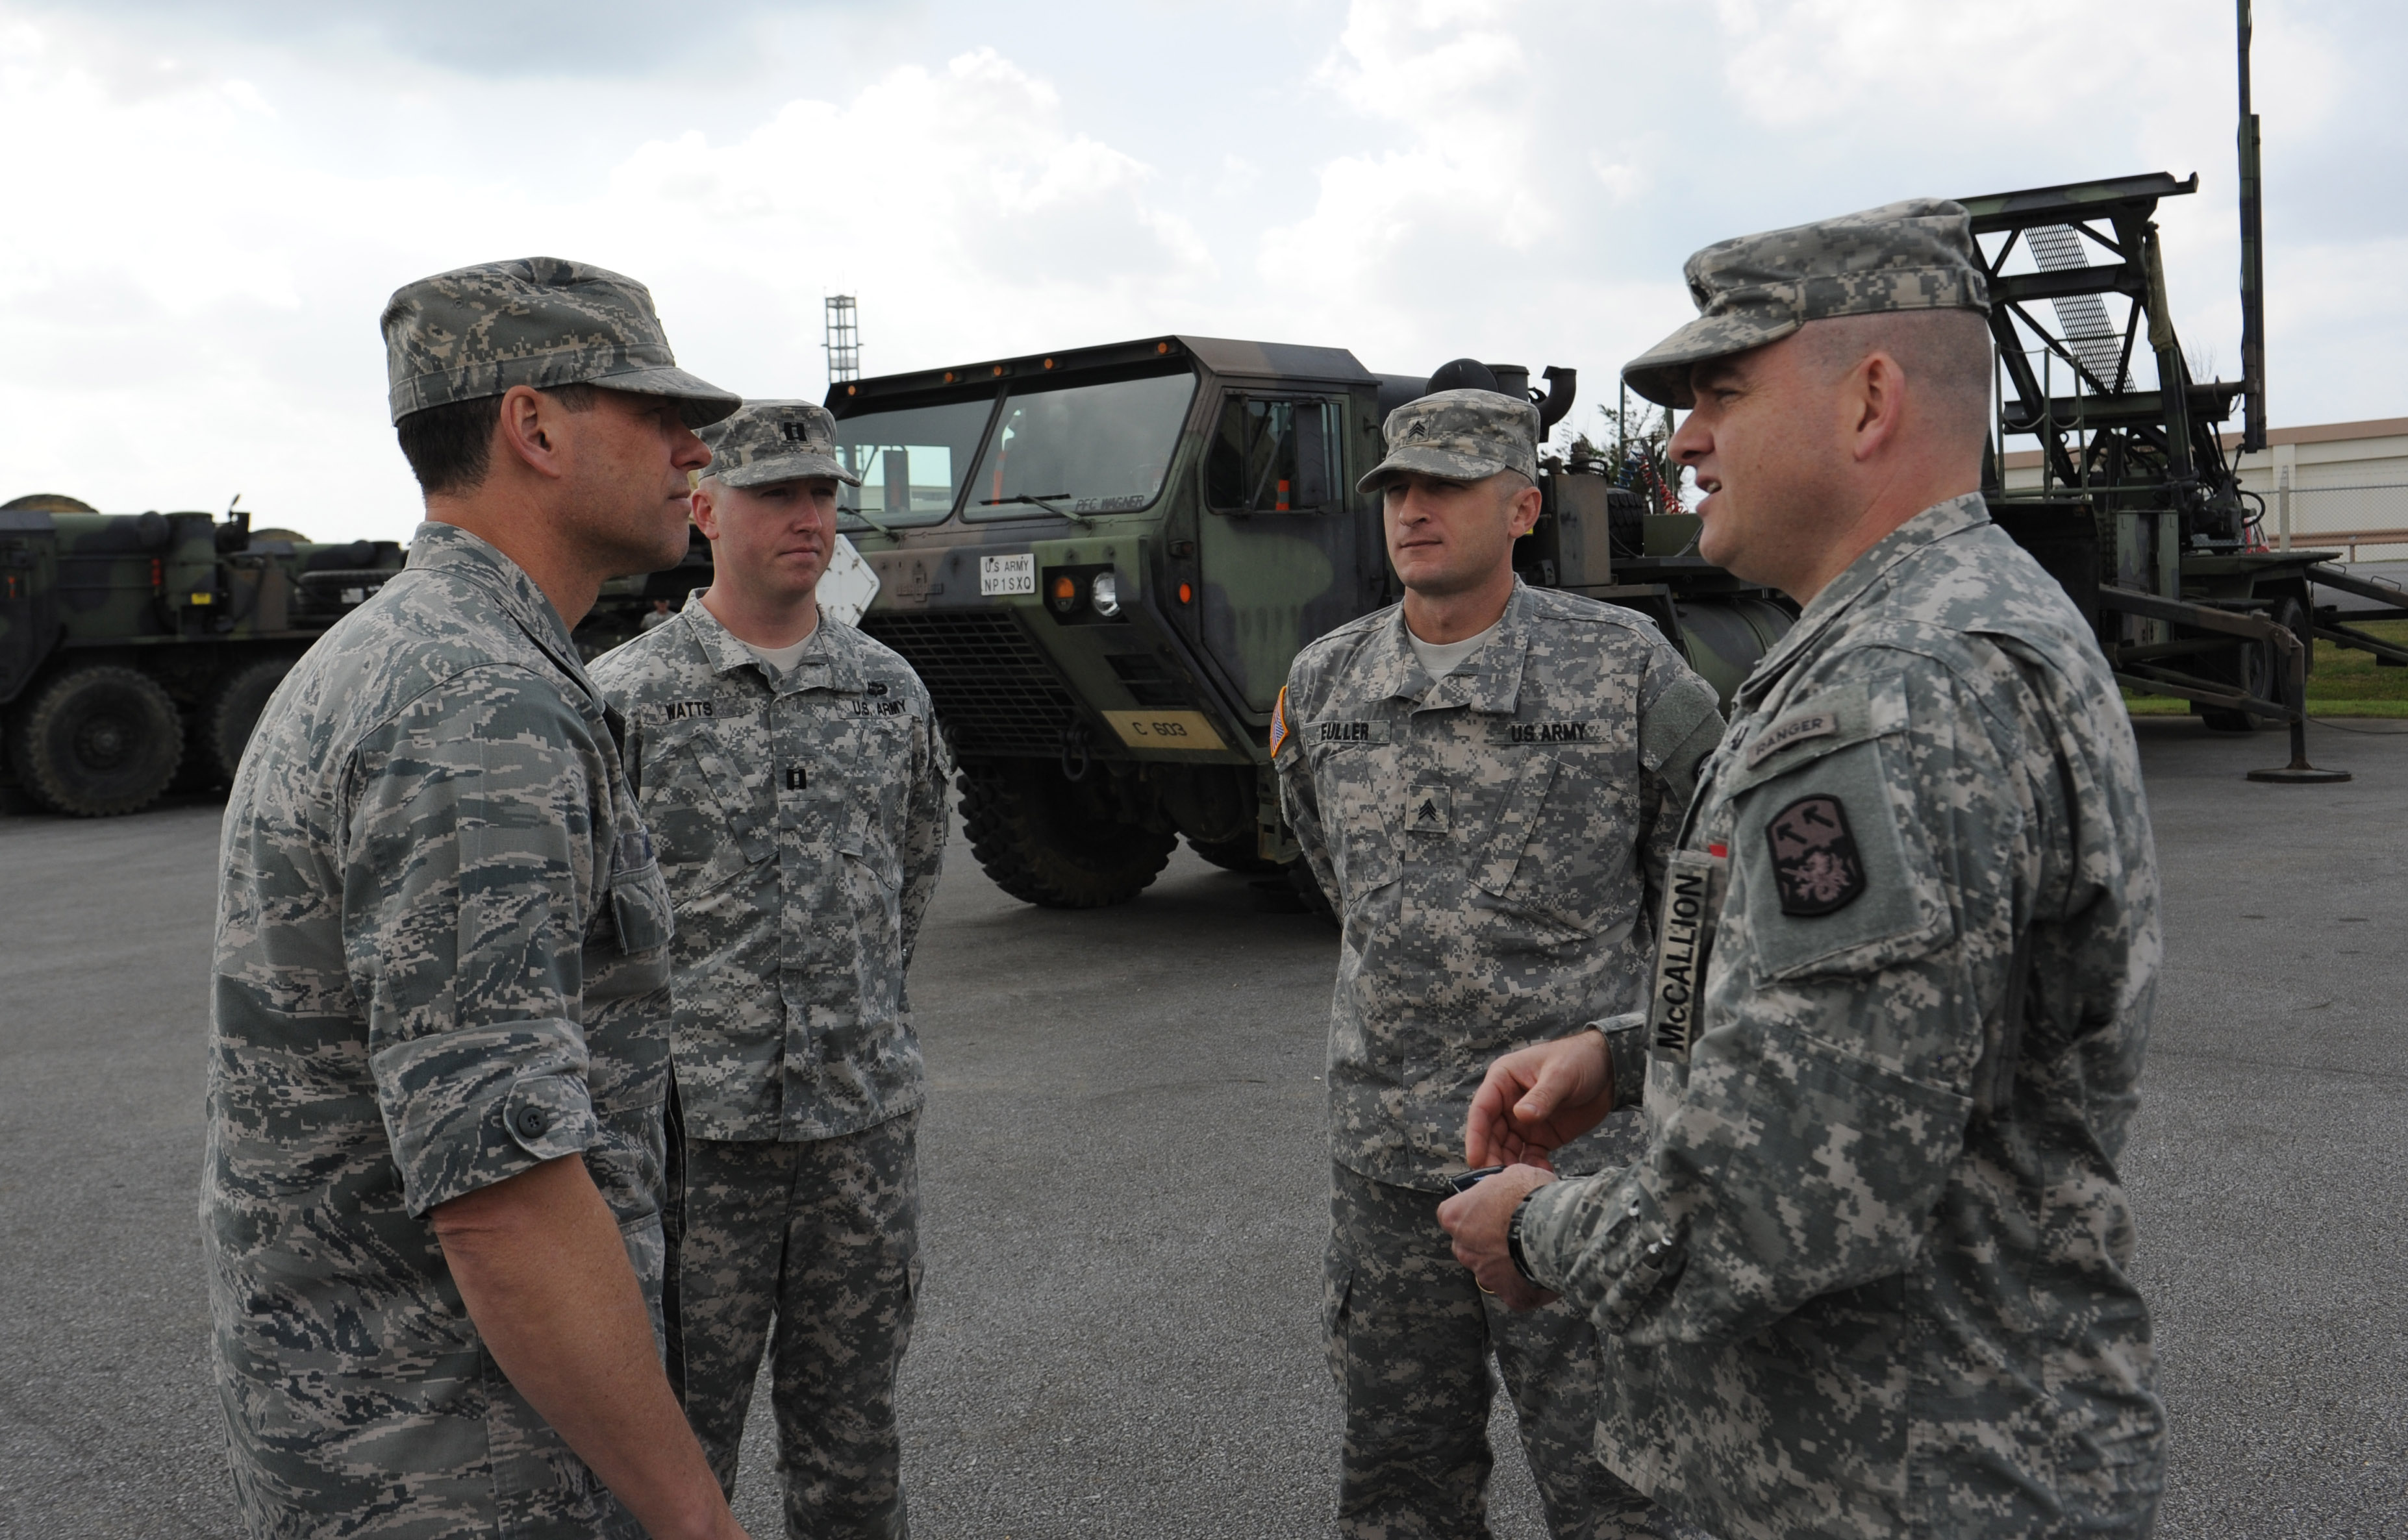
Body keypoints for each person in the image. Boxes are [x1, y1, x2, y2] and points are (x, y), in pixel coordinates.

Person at [1438, 201, 2166, 1540]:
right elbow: (1878, 1031)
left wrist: (1535, 1232)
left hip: (1896, 1479)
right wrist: (1625, 1052)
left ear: (1870, 398)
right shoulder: (1927, 631)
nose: (1685, 437)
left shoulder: (1896, 689)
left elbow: (1782, 1202)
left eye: (1723, 389)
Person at [201, 256, 751, 1540]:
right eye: (653, 411)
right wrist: (694, 1515)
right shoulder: (472, 702)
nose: (693, 445)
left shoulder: (415, 653)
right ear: (534, 425)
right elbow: (502, 1197)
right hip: (461, 1466)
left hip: (386, 1431)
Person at [1273, 388, 1727, 1539]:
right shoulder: (1325, 684)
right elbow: (1338, 875)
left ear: (1523, 505)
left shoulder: (1625, 671)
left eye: (1448, 486)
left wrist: (1648, 1074)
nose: (1415, 510)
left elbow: (1708, 892)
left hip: (1581, 1167)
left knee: (1620, 1489)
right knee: (1399, 1487)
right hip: (1386, 1166)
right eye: (1399, 489)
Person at [590, 401, 949, 1540]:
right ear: (703, 508)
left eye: (823, 495)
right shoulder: (626, 699)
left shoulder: (888, 691)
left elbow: (909, 879)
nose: (808, 517)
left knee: (855, 1448)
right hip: (693, 1150)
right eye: (775, 494)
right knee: (672, 1458)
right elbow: (584, 934)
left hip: (856, 1138)